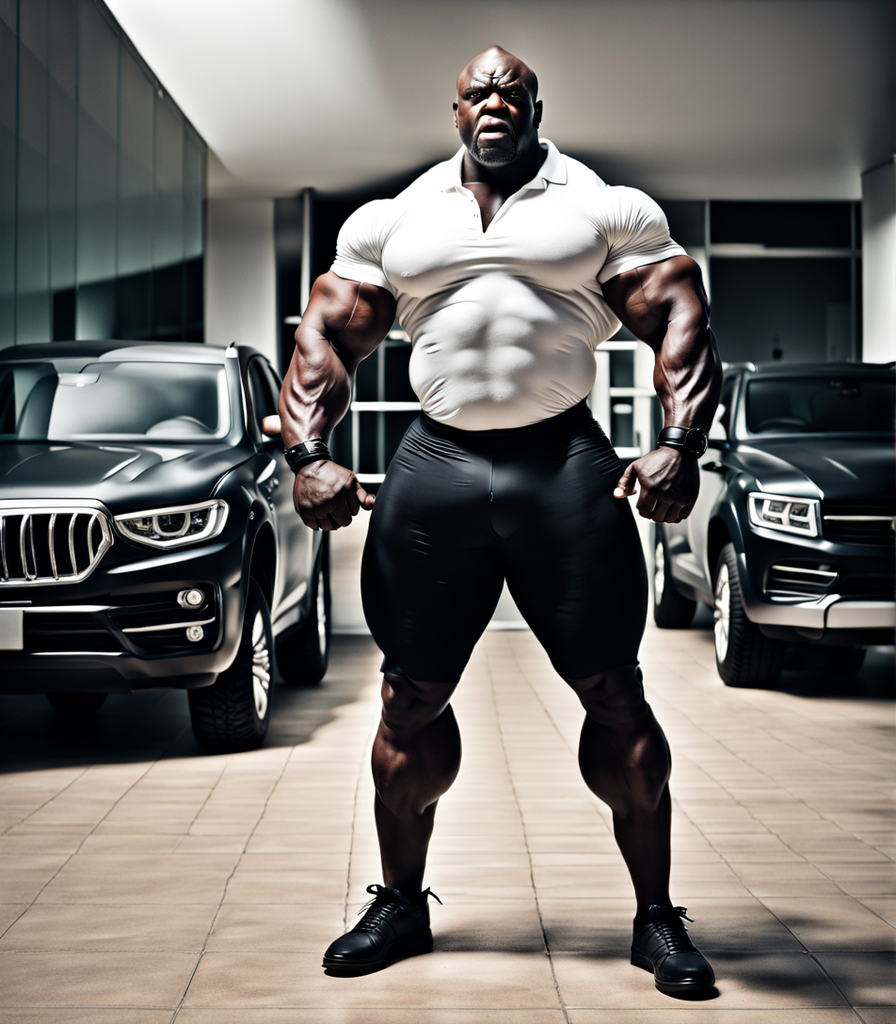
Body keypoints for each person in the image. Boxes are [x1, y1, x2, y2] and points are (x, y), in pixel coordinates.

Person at [276, 45, 722, 995]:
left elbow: (679, 313)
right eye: (477, 92)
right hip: (436, 465)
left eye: (510, 92)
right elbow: (327, 334)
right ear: (454, 111)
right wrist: (310, 455)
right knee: (408, 698)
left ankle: (656, 918)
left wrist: (680, 443)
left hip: (562, 465)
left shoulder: (600, 206)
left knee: (616, 694)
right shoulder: (396, 219)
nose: (493, 103)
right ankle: (400, 904)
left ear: (534, 108)